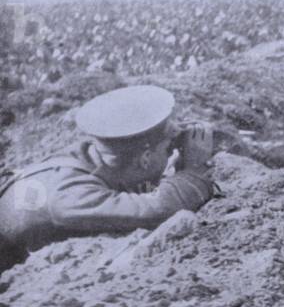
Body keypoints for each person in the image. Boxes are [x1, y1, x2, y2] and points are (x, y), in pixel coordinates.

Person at [0, 85, 217, 275]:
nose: (171, 153)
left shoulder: (93, 157)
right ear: (145, 158)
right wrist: (192, 169)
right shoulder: (71, 195)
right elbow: (157, 209)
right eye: (167, 149)